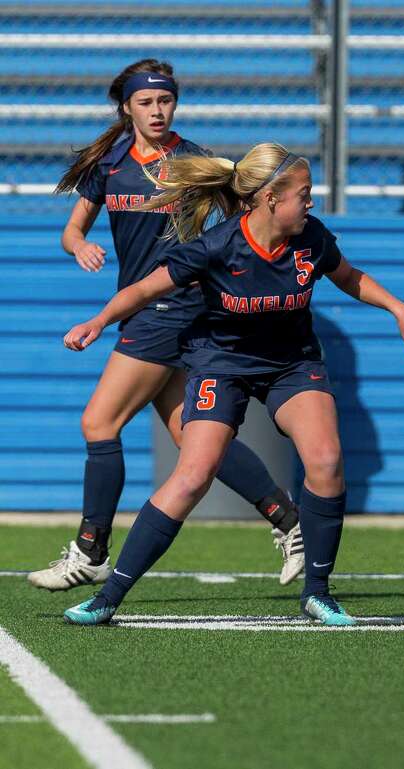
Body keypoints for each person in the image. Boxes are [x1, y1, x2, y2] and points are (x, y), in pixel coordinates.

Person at [59, 143, 404, 626]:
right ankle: (108, 596)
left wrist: (399, 308)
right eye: (305, 194)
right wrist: (100, 320)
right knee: (192, 475)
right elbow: (146, 288)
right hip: (221, 364)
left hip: (291, 364)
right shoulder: (217, 246)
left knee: (327, 459)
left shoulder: (311, 237)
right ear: (271, 198)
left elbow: (348, 276)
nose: (311, 203)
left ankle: (318, 593)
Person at [30, 59, 303, 593]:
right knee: (197, 443)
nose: (157, 110)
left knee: (98, 424)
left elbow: (248, 216)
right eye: (147, 102)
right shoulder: (108, 165)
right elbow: (71, 230)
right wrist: (81, 245)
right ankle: (293, 523)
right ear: (127, 107)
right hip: (143, 310)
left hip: (171, 310)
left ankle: (90, 549)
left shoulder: (195, 161)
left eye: (165, 101)